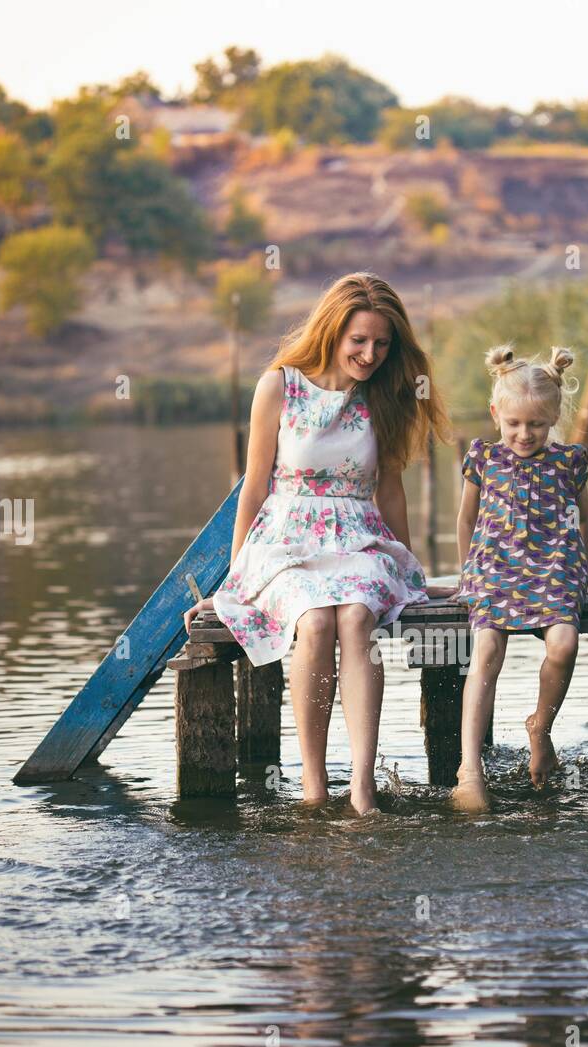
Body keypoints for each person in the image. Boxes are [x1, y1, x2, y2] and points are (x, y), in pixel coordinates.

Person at [184, 271, 450, 814]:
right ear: (332, 331)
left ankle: (361, 786)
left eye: (382, 343)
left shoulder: (385, 395)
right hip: (285, 541)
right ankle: (312, 783)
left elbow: (391, 490)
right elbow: (254, 485)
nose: (371, 353)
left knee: (354, 616)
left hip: (359, 540)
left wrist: (408, 572)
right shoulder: (279, 386)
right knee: (315, 617)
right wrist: (238, 579)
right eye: (360, 341)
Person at [450, 344, 588, 812]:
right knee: (487, 650)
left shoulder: (570, 461)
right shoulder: (484, 457)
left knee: (565, 645)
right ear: (496, 414)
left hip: (554, 567)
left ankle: (541, 727)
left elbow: (586, 521)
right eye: (514, 423)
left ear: (553, 416)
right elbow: (466, 519)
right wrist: (466, 573)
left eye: (536, 424)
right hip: (494, 568)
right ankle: (469, 770)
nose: (524, 433)